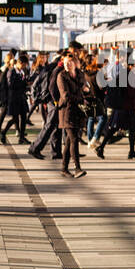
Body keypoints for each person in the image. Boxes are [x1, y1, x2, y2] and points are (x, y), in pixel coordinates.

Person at [55, 49, 87, 179]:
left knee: (69, 141)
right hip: (66, 111)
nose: (68, 65)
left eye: (70, 63)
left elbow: (85, 87)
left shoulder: (80, 74)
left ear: (75, 63)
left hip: (78, 111)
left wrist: (86, 91)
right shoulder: (61, 76)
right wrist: (80, 97)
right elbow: (65, 95)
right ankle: (77, 168)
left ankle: (64, 168)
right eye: (66, 63)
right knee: (74, 139)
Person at [0, 52, 31, 144]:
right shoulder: (11, 72)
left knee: (24, 117)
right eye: (24, 65)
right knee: (15, 119)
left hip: (21, 98)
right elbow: (11, 85)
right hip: (14, 99)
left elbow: (22, 83)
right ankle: (3, 132)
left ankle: (21, 137)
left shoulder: (21, 72)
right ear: (20, 63)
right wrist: (24, 83)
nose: (24, 67)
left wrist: (26, 84)